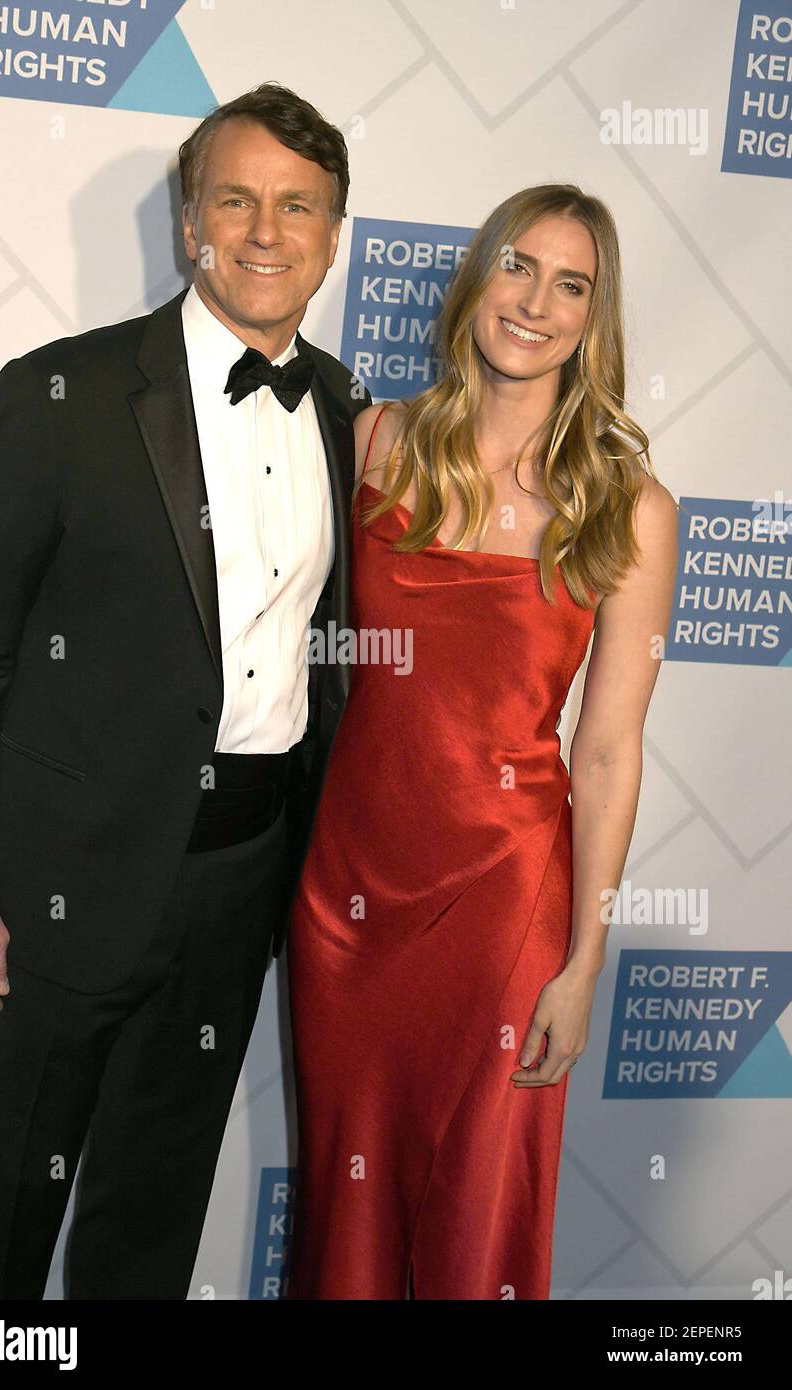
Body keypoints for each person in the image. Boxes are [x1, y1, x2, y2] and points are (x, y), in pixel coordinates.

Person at [0, 82, 370, 1300]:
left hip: (241, 881)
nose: (265, 231)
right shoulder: (58, 394)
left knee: (152, 1218)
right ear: (189, 225)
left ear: (333, 235)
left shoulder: (348, 415)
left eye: (298, 206)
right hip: (57, 883)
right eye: (235, 199)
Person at [285, 184, 678, 1300]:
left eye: (571, 285)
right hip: (347, 897)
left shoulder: (626, 506)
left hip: (505, 900)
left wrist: (584, 960)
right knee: (343, 1201)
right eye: (517, 267)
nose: (534, 302)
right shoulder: (376, 439)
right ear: (474, 282)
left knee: (478, 1205)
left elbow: (606, 753)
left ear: (591, 323)